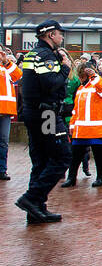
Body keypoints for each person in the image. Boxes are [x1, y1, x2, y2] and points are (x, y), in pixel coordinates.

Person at [14, 19, 72, 224]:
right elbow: (51, 84)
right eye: (59, 34)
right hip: (46, 115)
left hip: (33, 113)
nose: (61, 37)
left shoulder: (32, 55)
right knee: (61, 157)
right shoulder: (46, 56)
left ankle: (36, 210)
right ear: (50, 35)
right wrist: (64, 68)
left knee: (40, 161)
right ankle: (31, 199)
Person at [61, 61, 102, 187]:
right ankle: (71, 177)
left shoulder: (99, 84)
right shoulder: (80, 89)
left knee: (98, 154)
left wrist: (94, 76)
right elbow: (76, 110)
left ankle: (101, 178)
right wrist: (72, 126)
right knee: (75, 155)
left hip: (97, 128)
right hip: (82, 129)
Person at [0, 46, 21, 181]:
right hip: (5, 110)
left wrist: (6, 61)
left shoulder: (7, 68)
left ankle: (2, 170)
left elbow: (18, 75)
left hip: (6, 110)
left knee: (3, 142)